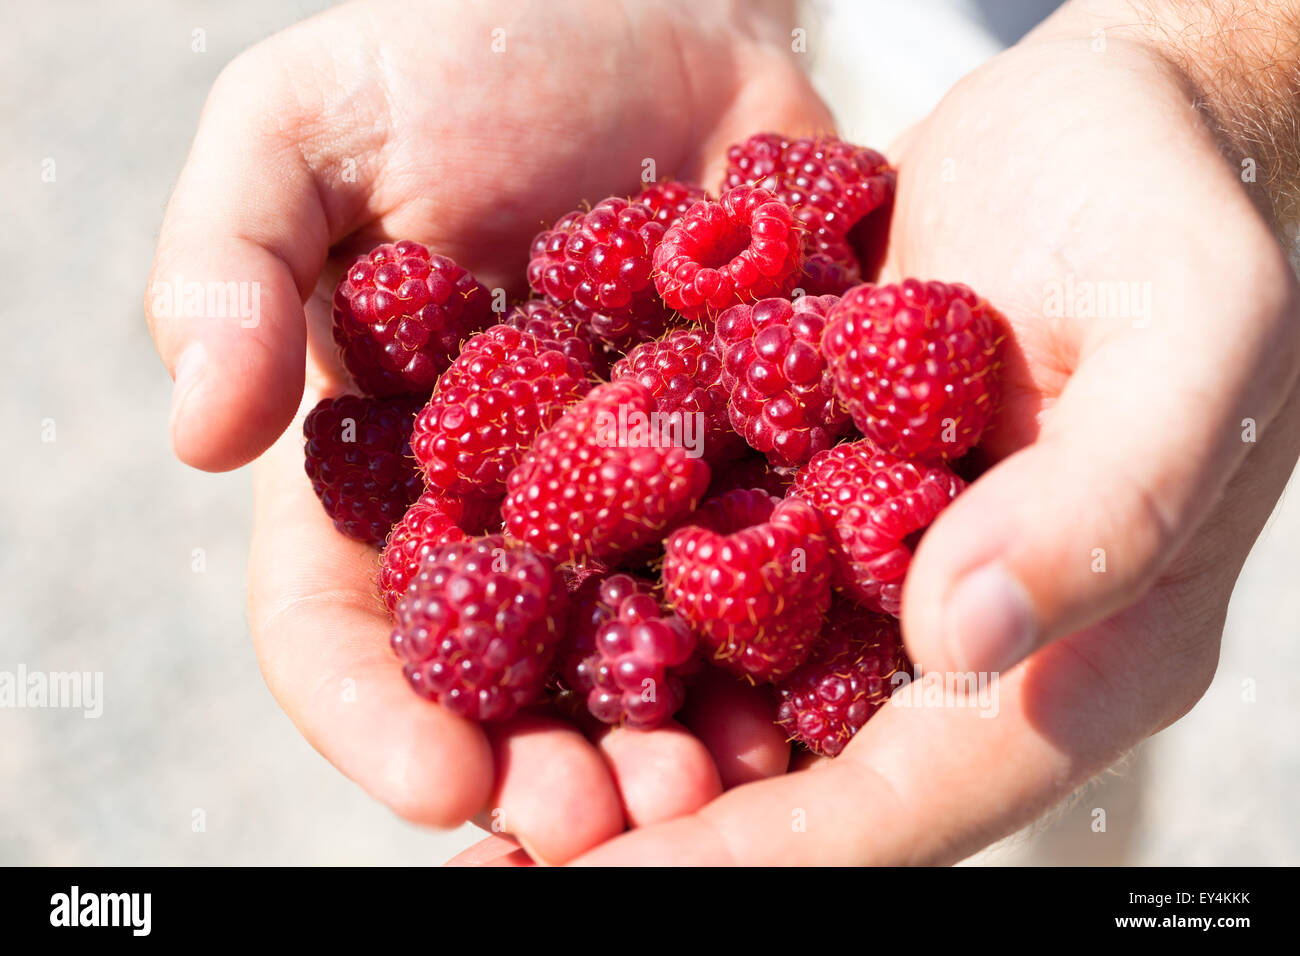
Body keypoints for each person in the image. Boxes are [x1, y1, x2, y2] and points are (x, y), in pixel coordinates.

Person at [144, 0, 1300, 865]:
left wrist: (1218, 66)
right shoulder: (604, 406)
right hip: (869, 30)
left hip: (1073, 122)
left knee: (1054, 666)